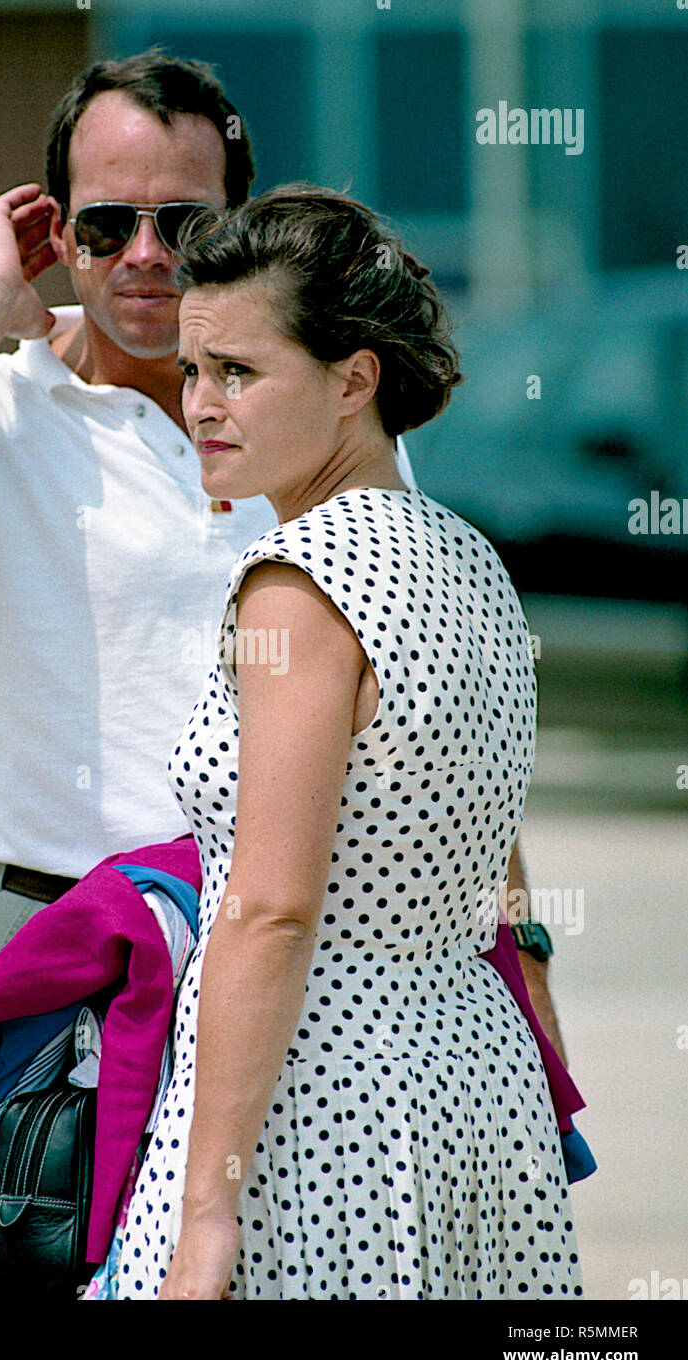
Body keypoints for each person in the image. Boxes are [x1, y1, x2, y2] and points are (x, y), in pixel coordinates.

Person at [0, 50, 564, 1299]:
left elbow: (416, 723)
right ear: (56, 231)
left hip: (276, 978)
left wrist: (518, 946)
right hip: (49, 949)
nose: (143, 252)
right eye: (103, 223)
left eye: (183, 222)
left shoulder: (319, 423)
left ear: (233, 228)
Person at [114, 186, 583, 1300]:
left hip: (318, 1104)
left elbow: (272, 909)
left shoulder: (298, 585)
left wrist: (208, 1214)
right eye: (191, 371)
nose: (200, 406)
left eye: (237, 371)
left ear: (352, 379)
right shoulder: (468, 557)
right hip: (478, 1086)